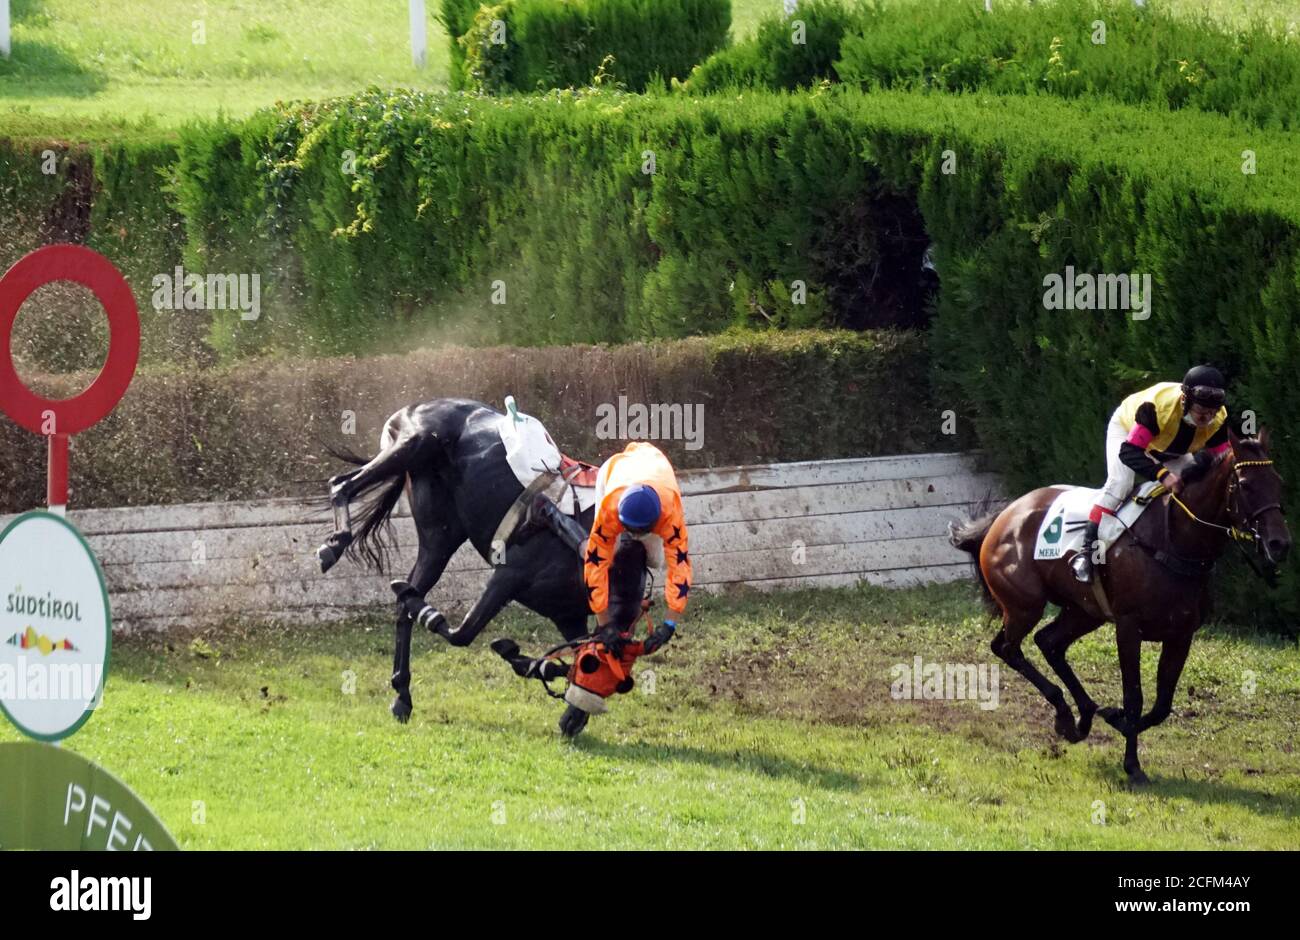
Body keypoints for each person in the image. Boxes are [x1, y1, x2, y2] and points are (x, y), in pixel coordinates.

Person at [1071, 365, 1230, 583]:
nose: (1207, 419)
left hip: (1169, 446)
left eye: (1211, 413)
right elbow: (1130, 452)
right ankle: (1087, 553)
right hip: (1129, 435)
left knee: (1193, 488)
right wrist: (1163, 474)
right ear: (1185, 400)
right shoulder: (1157, 408)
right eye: (1201, 412)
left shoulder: (1219, 418)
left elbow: (1224, 460)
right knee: (1120, 485)